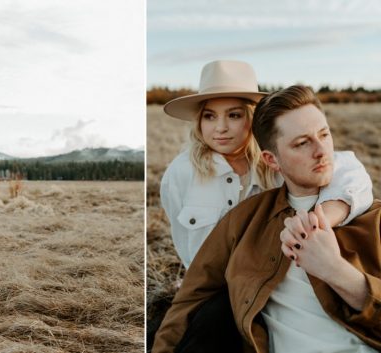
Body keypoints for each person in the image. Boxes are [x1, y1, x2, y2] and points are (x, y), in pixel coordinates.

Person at [153, 85, 381, 352]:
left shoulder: (370, 216)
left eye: (324, 134)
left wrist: (334, 269)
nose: (322, 151)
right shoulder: (244, 220)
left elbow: (348, 168)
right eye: (302, 143)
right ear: (272, 160)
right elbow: (192, 296)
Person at [160, 60, 372, 270]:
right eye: (210, 116)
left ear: (252, 118)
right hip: (211, 285)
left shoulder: (278, 161)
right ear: (199, 121)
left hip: (265, 282)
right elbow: (183, 240)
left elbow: (348, 170)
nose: (221, 127)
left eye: (234, 115)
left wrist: (319, 219)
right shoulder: (181, 172)